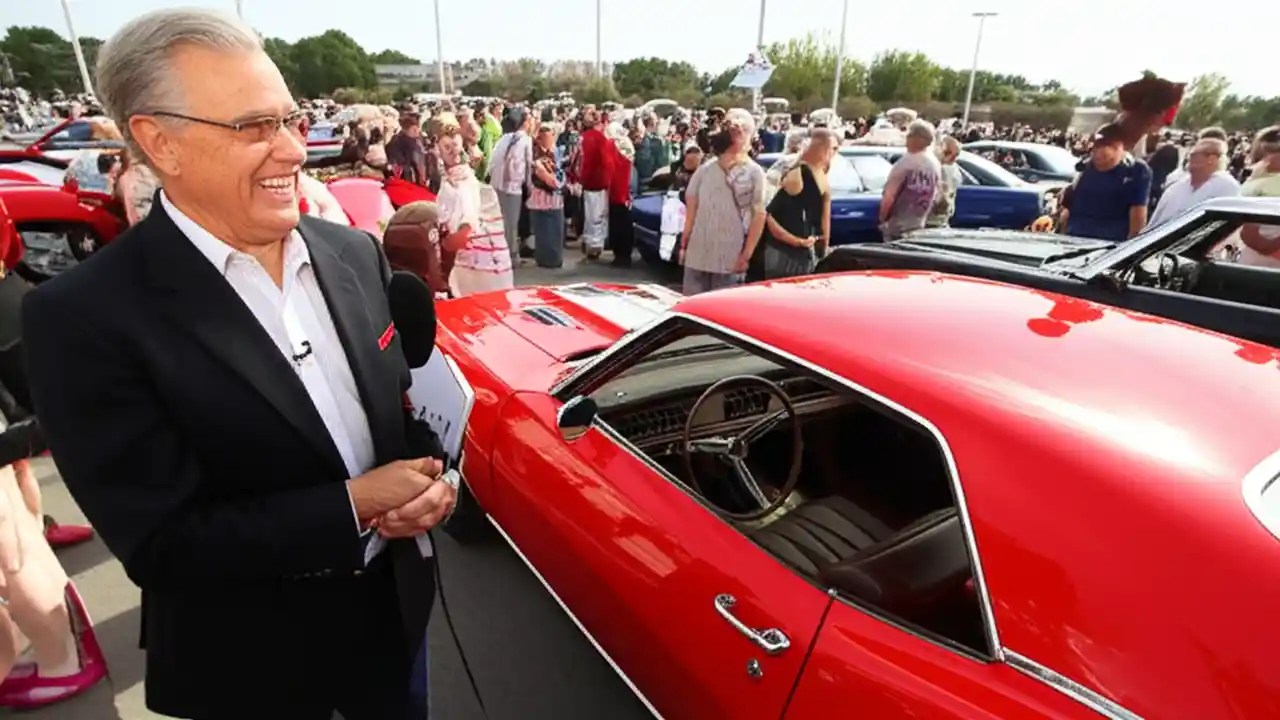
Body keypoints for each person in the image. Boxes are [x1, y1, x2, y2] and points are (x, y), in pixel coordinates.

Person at [21, 10, 455, 719]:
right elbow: (162, 543)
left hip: (393, 626)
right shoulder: (81, 317)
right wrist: (355, 504)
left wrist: (435, 482)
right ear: (159, 142)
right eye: (254, 126)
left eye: (291, 119)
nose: (294, 150)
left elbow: (398, 413)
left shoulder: (353, 253)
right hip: (248, 669)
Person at [679, 108, 766, 294]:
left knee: (700, 307)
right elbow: (758, 216)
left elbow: (759, 216)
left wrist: (746, 255)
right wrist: (685, 244)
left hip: (719, 258)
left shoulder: (751, 173)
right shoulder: (708, 169)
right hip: (711, 256)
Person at [755, 127, 836, 280]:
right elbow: (770, 215)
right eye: (832, 149)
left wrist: (820, 248)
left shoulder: (818, 177)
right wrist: (798, 242)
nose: (834, 153)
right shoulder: (796, 174)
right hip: (786, 253)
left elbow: (823, 221)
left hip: (799, 251)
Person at [1064, 123, 1152, 242]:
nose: (1098, 152)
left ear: (1120, 147)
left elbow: (1138, 215)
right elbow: (1069, 209)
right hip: (1075, 238)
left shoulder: (1136, 171)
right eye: (1096, 147)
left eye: (1106, 146)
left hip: (1110, 243)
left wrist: (1131, 245)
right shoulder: (1085, 167)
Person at [1148, 138, 1239, 228]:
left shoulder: (1227, 187)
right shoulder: (1177, 186)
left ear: (1211, 159)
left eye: (1194, 155)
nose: (1189, 157)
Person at [879, 120, 941, 239]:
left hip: (898, 227)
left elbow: (889, 197)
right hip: (920, 224)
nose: (906, 139)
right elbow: (936, 194)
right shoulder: (934, 164)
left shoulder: (905, 163)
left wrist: (882, 218)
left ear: (915, 138)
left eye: (909, 135)